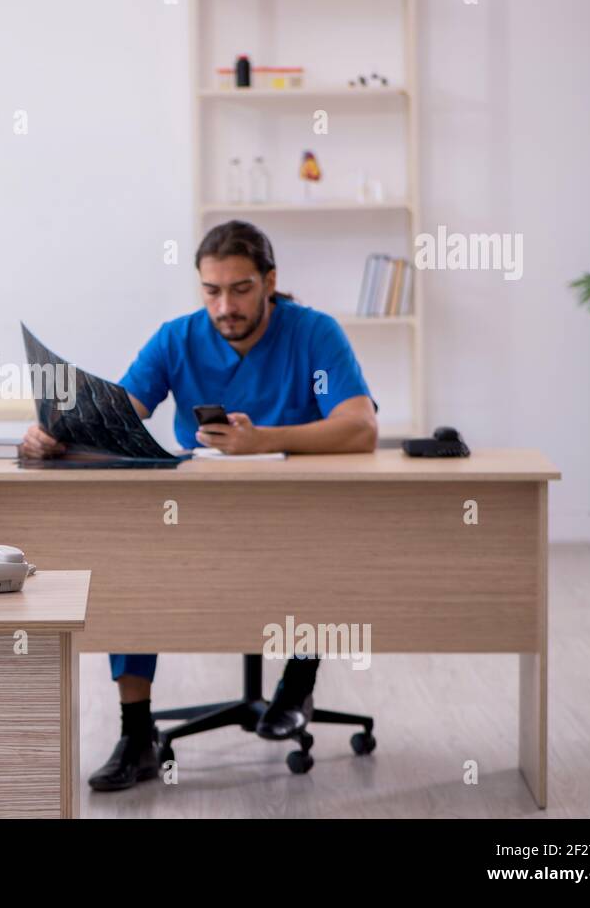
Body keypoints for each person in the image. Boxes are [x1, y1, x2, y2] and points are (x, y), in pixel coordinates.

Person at [21, 221, 378, 791]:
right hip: (198, 515)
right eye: (211, 291)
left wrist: (265, 439)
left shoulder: (314, 333)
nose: (224, 305)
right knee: (128, 565)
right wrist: (54, 434)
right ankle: (137, 734)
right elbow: (122, 413)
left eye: (239, 289)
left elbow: (360, 427)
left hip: (294, 516)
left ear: (270, 282)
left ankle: (298, 678)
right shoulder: (178, 338)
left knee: (321, 543)